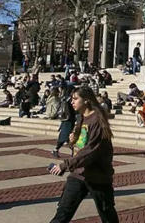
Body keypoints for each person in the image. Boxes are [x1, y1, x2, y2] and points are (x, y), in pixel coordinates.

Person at [48, 87, 119, 223]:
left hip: (97, 176)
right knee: (62, 213)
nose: (72, 102)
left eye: (75, 99)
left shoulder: (97, 120)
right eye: (71, 99)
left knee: (107, 214)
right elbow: (80, 147)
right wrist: (73, 141)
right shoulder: (81, 117)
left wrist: (65, 165)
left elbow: (90, 151)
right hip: (78, 173)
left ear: (86, 100)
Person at [53, 85, 77, 157]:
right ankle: (73, 151)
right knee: (67, 136)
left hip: (65, 119)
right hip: (69, 119)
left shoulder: (64, 98)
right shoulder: (69, 99)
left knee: (65, 136)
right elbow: (73, 109)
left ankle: (57, 149)